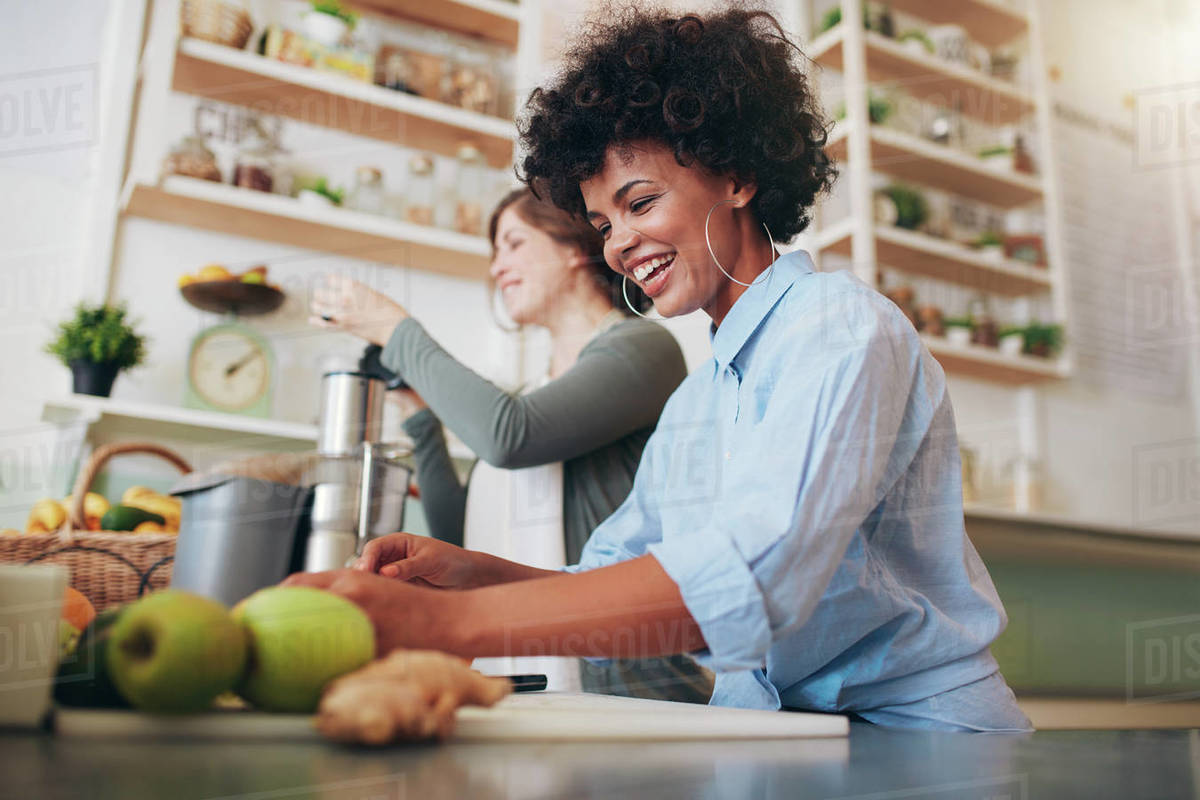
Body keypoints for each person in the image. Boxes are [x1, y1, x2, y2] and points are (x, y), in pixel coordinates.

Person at [291, 6, 1033, 732]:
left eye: (639, 202)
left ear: (737, 175)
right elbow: (613, 585)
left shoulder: (838, 327)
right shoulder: (697, 398)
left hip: (916, 734)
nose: (618, 246)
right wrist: (473, 575)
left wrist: (447, 624)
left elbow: (752, 577)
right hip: (776, 735)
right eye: (604, 224)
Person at [309, 188, 712, 703]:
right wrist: (420, 420)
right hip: (537, 689)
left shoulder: (641, 348)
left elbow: (509, 436)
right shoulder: (528, 398)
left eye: (514, 244)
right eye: (495, 254)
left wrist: (394, 329)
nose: (498, 268)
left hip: (634, 689)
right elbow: (461, 538)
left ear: (573, 246)